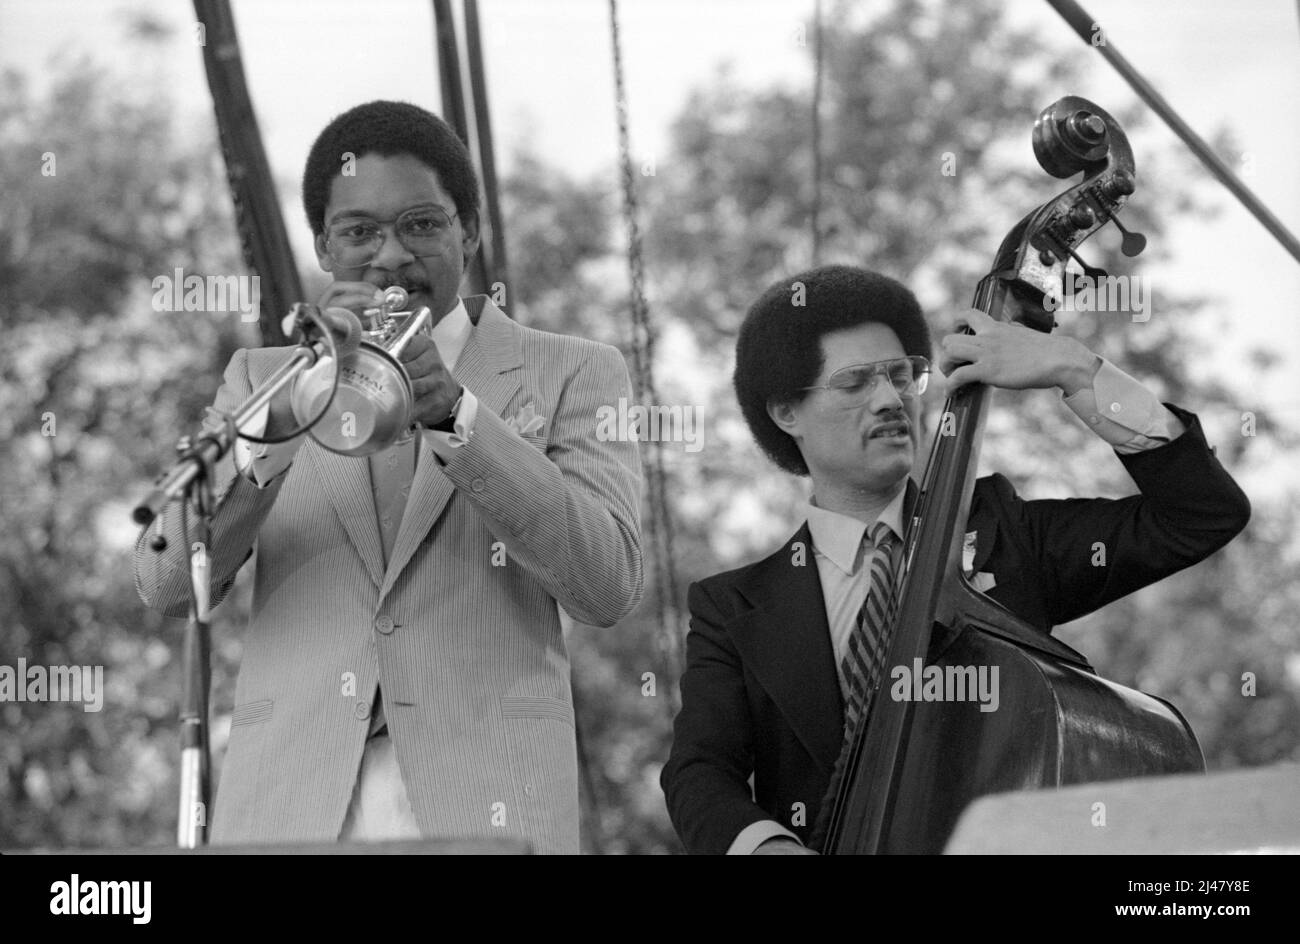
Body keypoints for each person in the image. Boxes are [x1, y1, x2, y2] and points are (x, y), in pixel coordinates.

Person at [135, 101, 643, 854]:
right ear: (323, 247)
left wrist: (459, 418)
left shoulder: (575, 371)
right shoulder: (262, 379)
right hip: (289, 811)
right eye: (359, 231)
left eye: (421, 224)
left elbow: (607, 583)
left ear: (469, 232)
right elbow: (168, 582)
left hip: (488, 803)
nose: (391, 256)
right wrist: (274, 432)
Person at [660, 264, 1249, 855]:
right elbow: (700, 772)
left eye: (902, 376)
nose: (891, 399)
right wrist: (767, 849)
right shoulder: (730, 606)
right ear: (787, 412)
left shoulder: (1006, 530)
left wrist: (1075, 369)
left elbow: (1200, 514)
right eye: (855, 382)